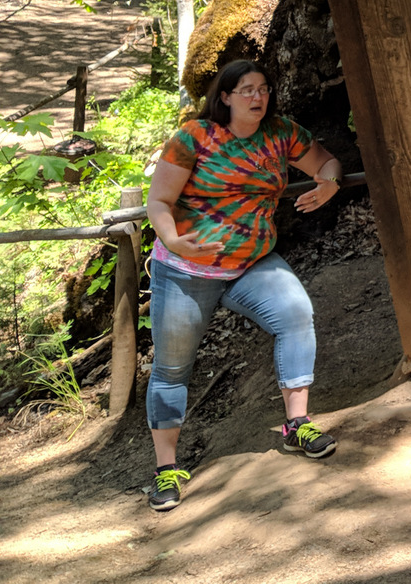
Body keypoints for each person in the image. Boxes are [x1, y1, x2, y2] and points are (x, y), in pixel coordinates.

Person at [142, 58, 345, 512]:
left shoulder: (281, 133)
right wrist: (173, 240)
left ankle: (297, 426)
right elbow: (158, 201)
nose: (258, 97)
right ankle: (166, 469)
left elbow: (327, 162)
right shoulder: (195, 137)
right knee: (173, 368)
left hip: (252, 261)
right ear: (226, 97)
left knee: (295, 314)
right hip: (187, 269)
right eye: (247, 90)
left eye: (264, 88)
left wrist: (329, 184)